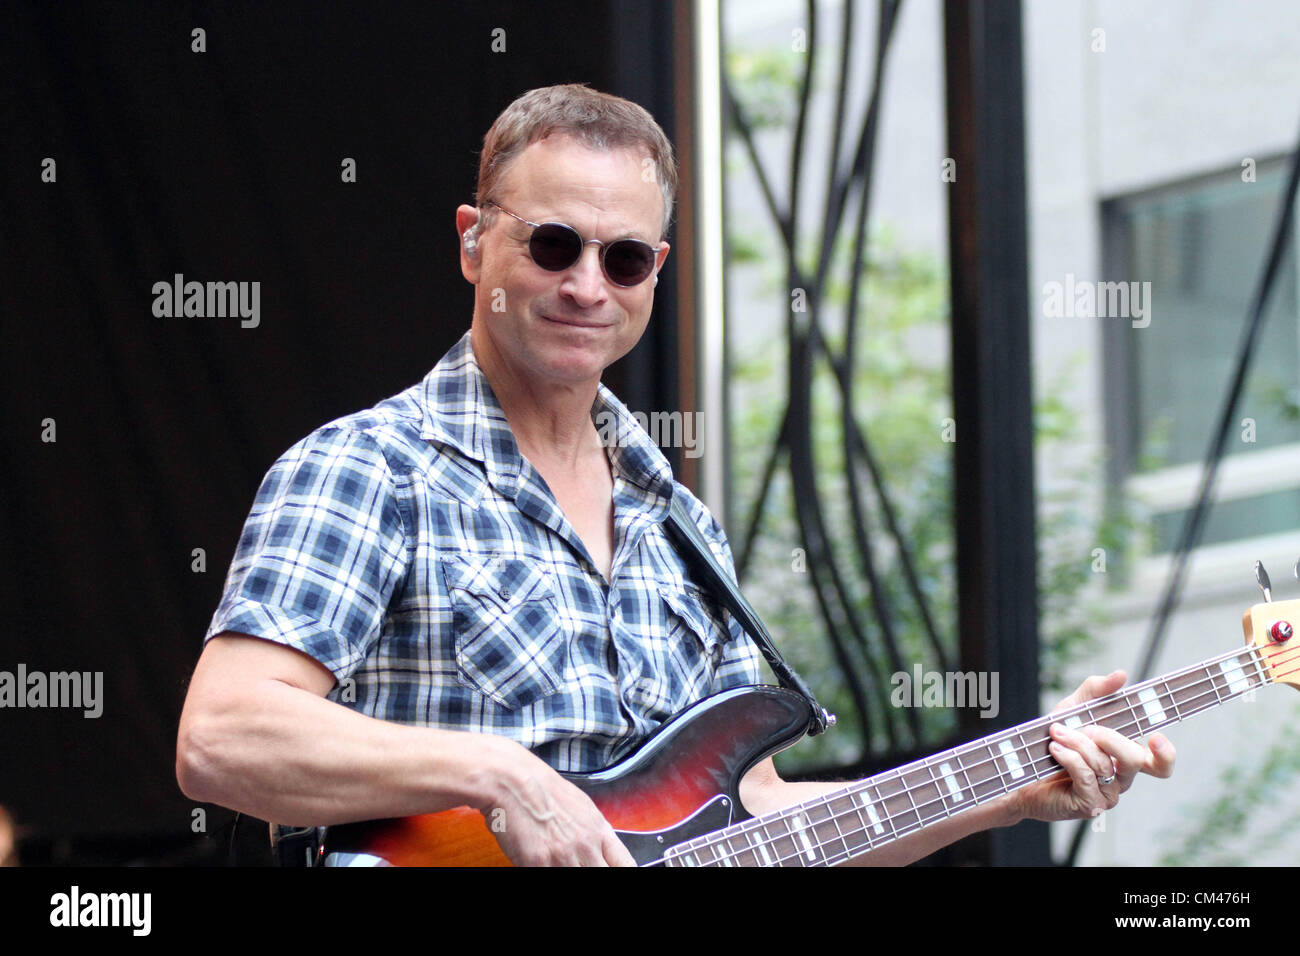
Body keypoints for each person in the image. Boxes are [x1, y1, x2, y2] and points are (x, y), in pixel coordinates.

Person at [175, 84, 1175, 866]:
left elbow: (767, 820)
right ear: (475, 242)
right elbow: (221, 739)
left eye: (622, 259)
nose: (584, 285)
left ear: (657, 268)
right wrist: (502, 775)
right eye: (553, 243)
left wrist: (1006, 787)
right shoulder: (367, 468)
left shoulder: (680, 521)